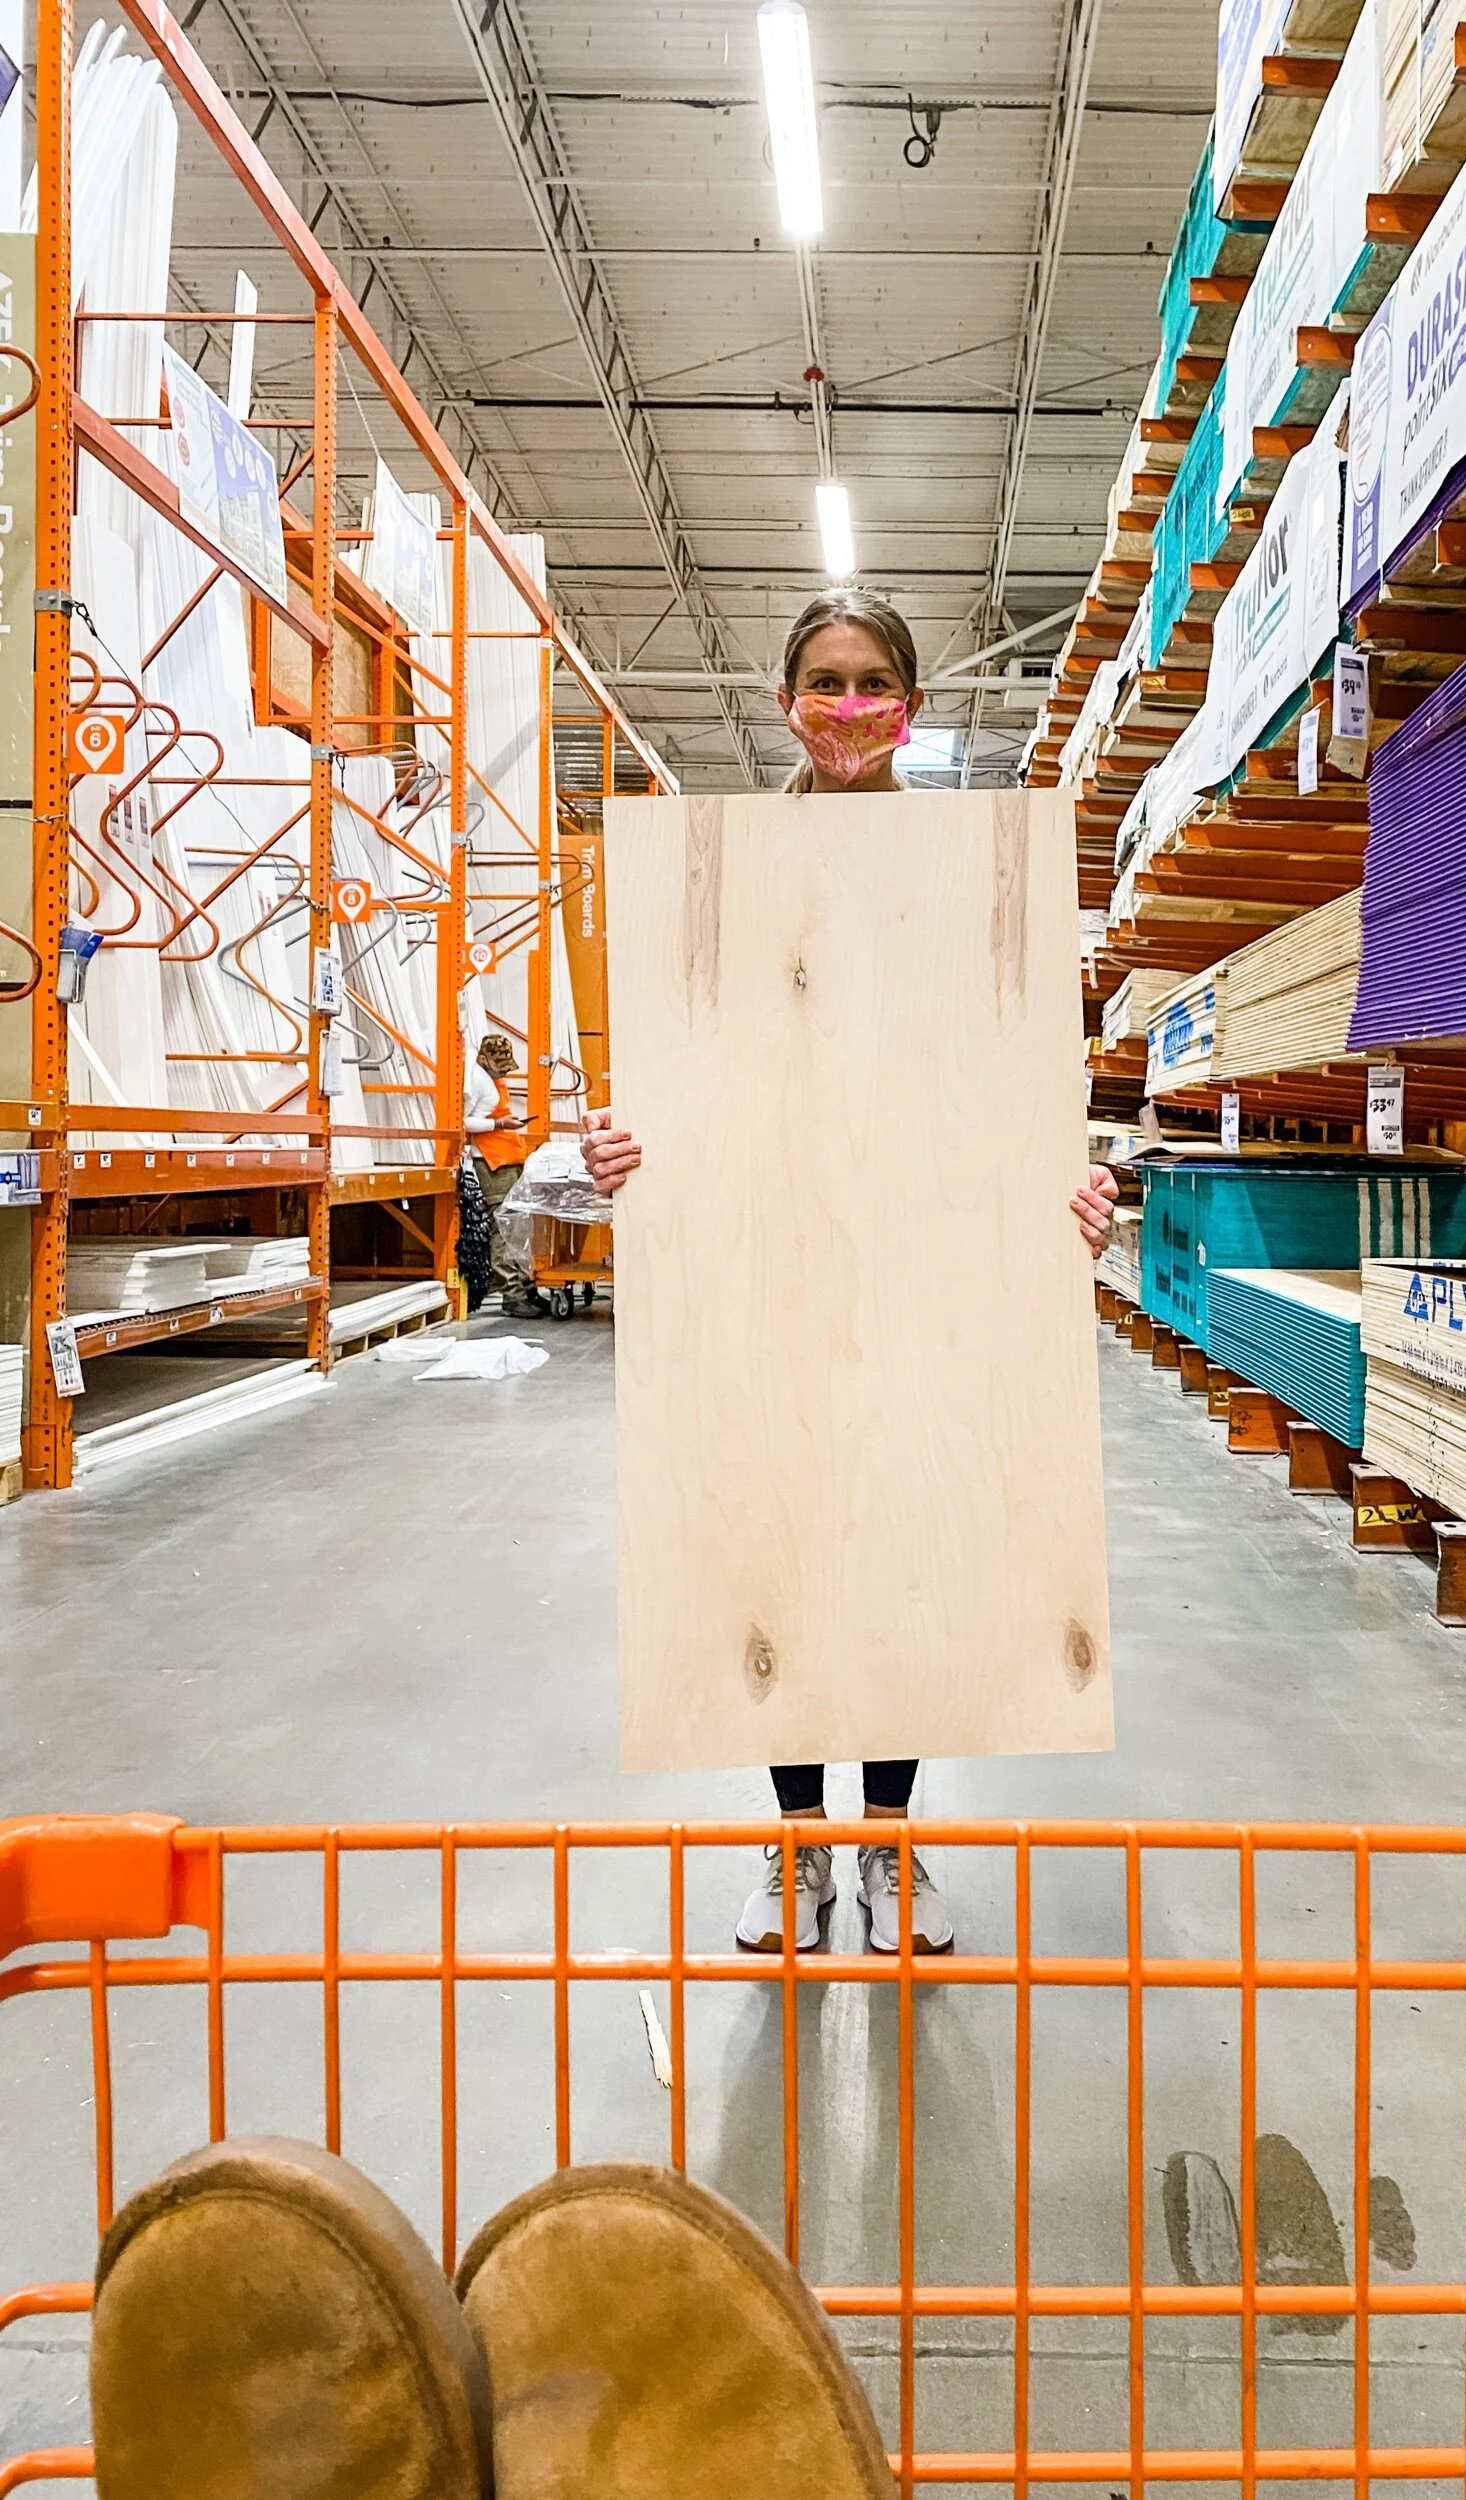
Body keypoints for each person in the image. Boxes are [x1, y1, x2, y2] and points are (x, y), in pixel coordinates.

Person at [582, 589, 1119, 1958]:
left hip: (921, 1271)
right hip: (762, 1269)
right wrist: (624, 1151)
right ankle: (794, 1850)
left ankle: (883, 1844)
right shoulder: (718, 877)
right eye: (822, 682)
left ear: (911, 705)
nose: (847, 706)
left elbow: (994, 1097)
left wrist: (1060, 1196)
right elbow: (692, 1091)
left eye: (872, 681)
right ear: (785, 703)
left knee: (903, 1538)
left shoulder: (969, 879)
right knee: (775, 1530)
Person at [464, 1032, 537, 1318]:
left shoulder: (492, 1080)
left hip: (507, 1160)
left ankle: (526, 1289)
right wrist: (499, 1124)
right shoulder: (477, 1081)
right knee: (502, 1229)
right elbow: (463, 1121)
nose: (504, 1072)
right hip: (492, 1164)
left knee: (516, 1228)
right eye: (500, 1066)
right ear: (484, 1059)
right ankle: (513, 1295)